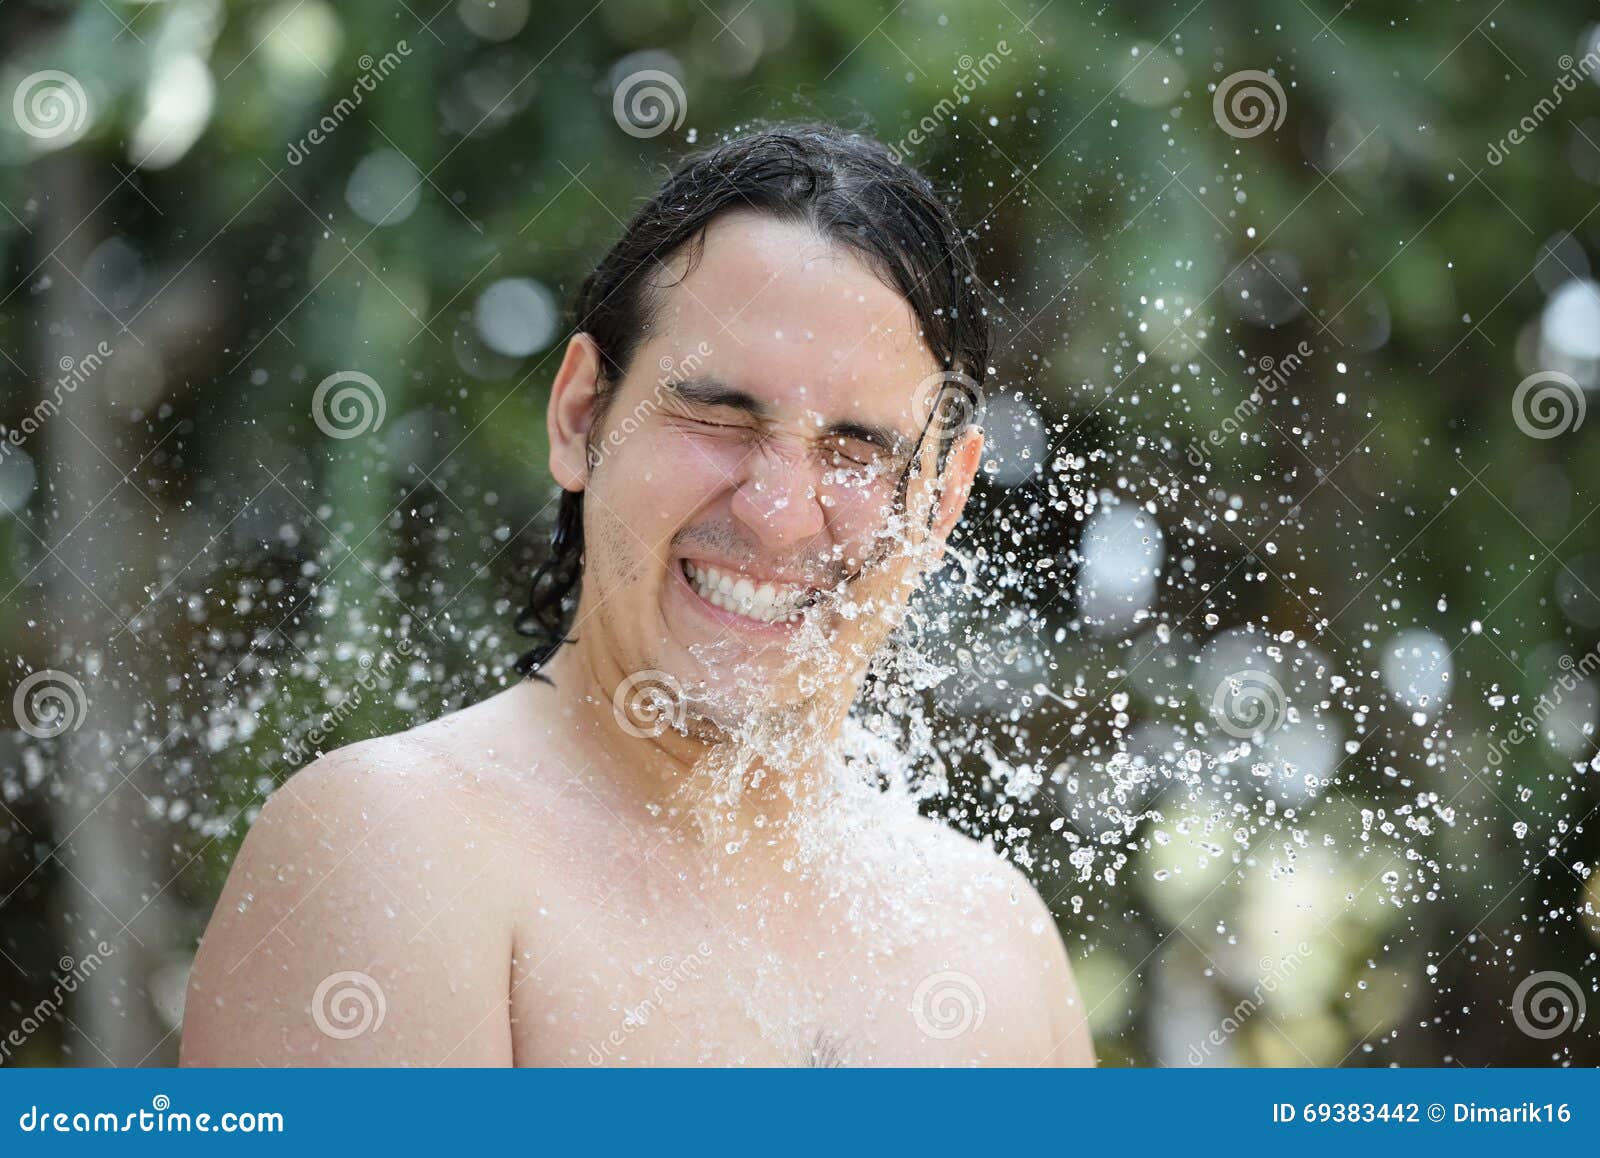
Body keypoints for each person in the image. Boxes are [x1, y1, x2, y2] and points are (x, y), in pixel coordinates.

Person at [180, 123, 1095, 1067]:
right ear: (583, 416)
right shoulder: (397, 847)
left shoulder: (998, 942)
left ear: (941, 502)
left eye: (858, 451)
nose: (779, 513)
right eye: (717, 415)